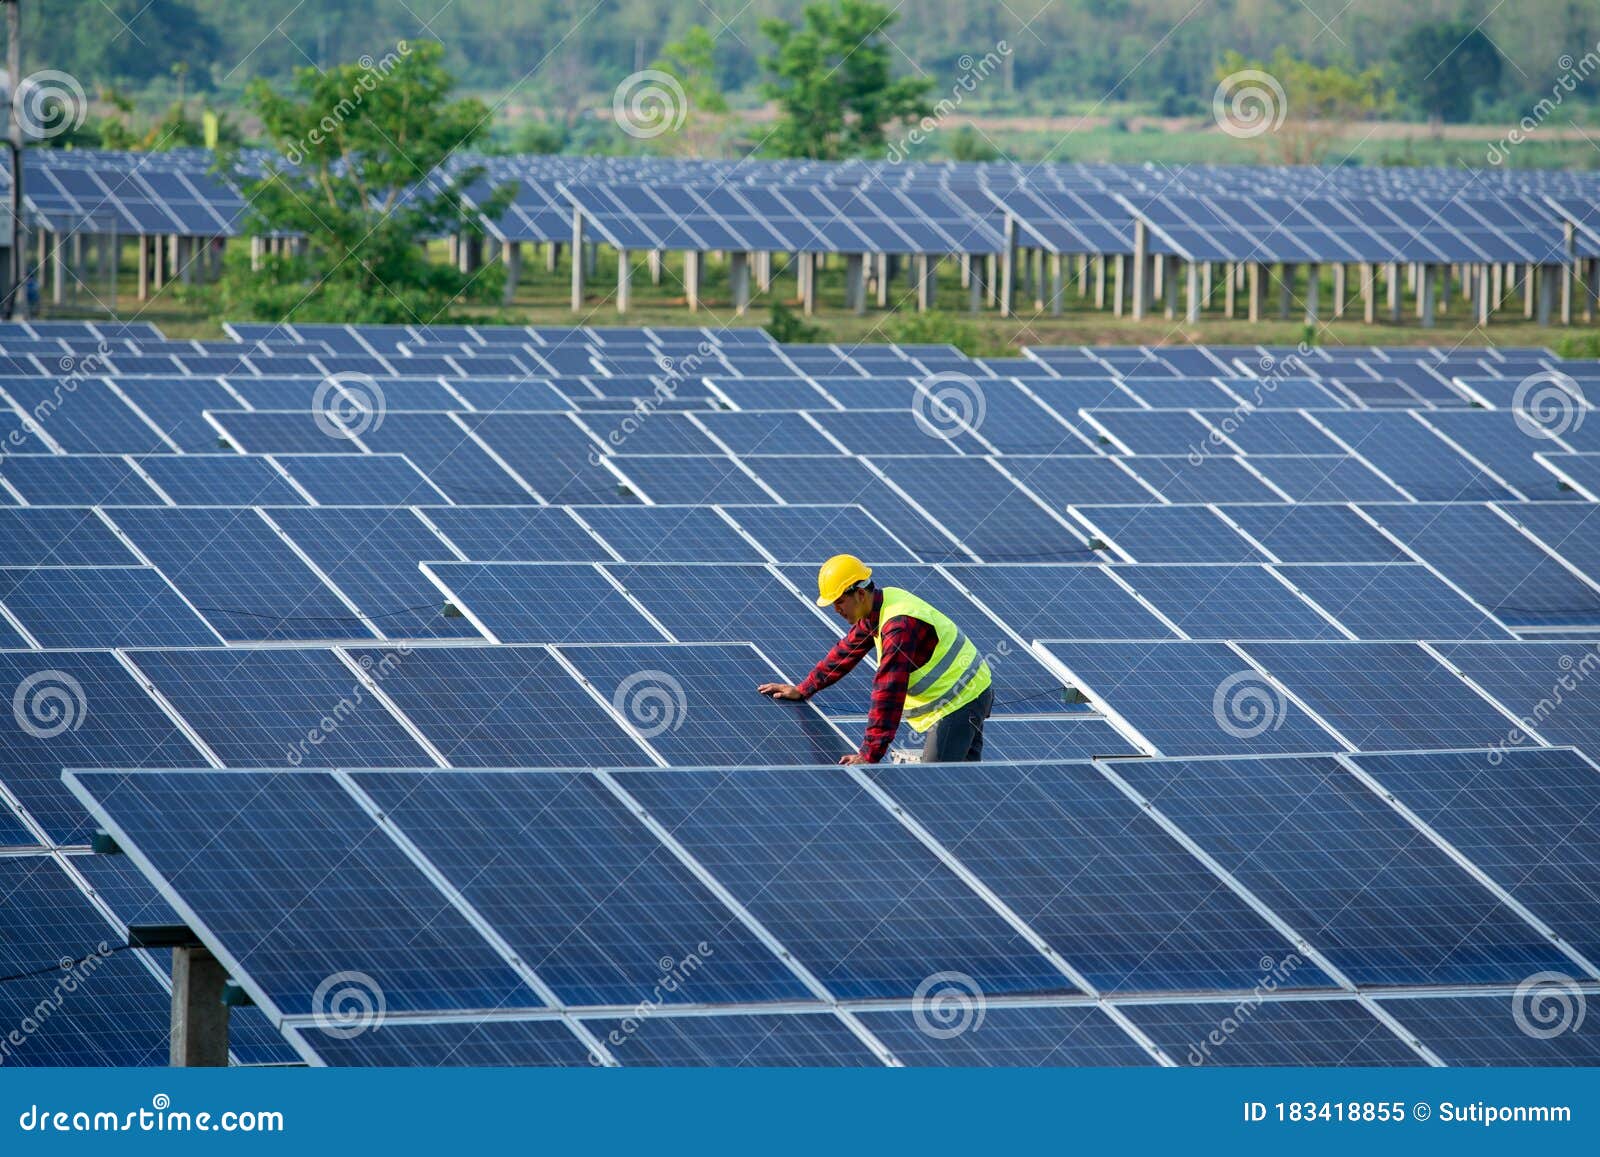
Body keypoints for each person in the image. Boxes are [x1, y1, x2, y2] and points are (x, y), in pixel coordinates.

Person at [758, 554, 993, 765]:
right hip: (967, 692)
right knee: (961, 783)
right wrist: (803, 689)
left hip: (960, 702)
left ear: (860, 594)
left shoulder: (898, 626)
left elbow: (888, 692)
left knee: (937, 781)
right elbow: (846, 651)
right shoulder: (878, 607)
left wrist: (869, 754)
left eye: (839, 601)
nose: (836, 610)